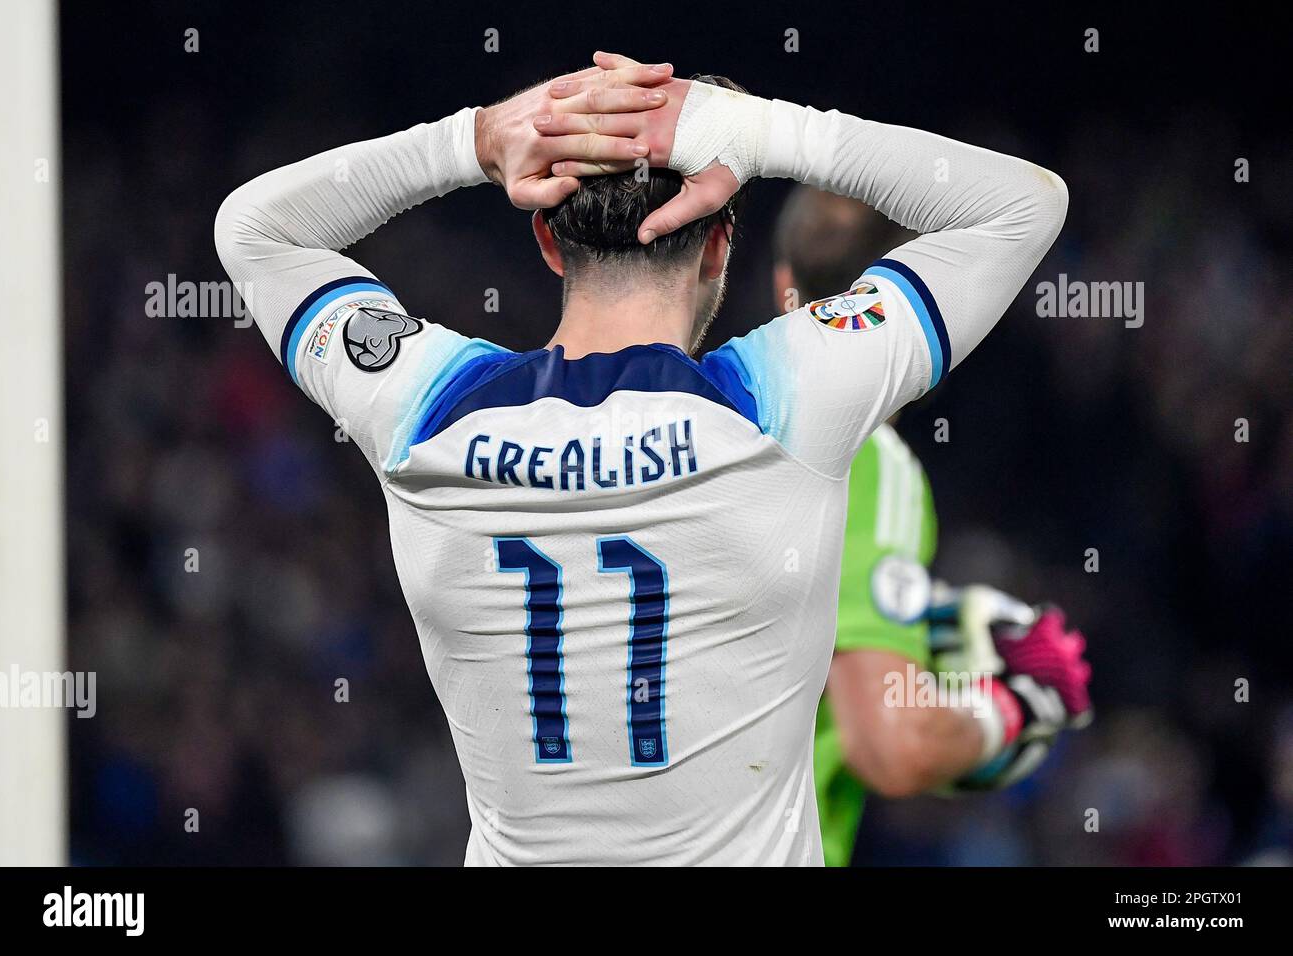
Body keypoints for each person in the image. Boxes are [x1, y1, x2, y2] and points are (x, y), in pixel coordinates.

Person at [214, 50, 1072, 865]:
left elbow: (254, 230)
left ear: (548, 243)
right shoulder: (783, 402)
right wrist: (767, 132)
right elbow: (1022, 206)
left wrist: (479, 138)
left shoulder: (424, 412)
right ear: (719, 246)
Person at [774, 188, 1094, 866]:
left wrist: (917, 618)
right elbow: (892, 745)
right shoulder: (868, 456)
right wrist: (1010, 713)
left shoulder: (700, 420)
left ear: (784, 287)